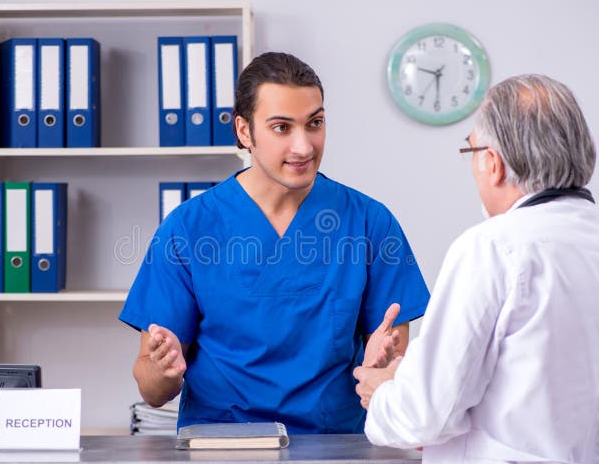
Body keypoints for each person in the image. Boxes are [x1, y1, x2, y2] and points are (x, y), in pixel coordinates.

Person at [354, 74, 599, 464]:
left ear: (493, 162)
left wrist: (383, 389)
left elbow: (424, 415)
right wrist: (410, 374)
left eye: (471, 150)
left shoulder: (494, 247)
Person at [119, 52, 430, 434]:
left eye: (314, 123)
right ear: (245, 132)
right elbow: (152, 391)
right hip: (222, 451)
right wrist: (162, 370)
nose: (304, 146)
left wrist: (385, 371)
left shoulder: (369, 222)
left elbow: (390, 371)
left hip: (337, 454)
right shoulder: (188, 229)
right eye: (282, 128)